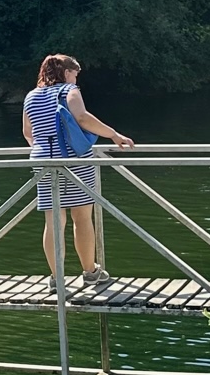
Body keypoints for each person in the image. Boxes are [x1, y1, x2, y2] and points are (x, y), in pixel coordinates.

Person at [23, 54, 133, 286]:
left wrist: (45, 150)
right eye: (75, 74)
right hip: (74, 160)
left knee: (53, 221)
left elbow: (28, 132)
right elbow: (82, 118)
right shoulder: (68, 91)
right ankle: (90, 273)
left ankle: (56, 278)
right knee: (82, 218)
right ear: (66, 73)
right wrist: (113, 134)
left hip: (43, 161)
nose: (76, 80)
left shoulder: (31, 96)